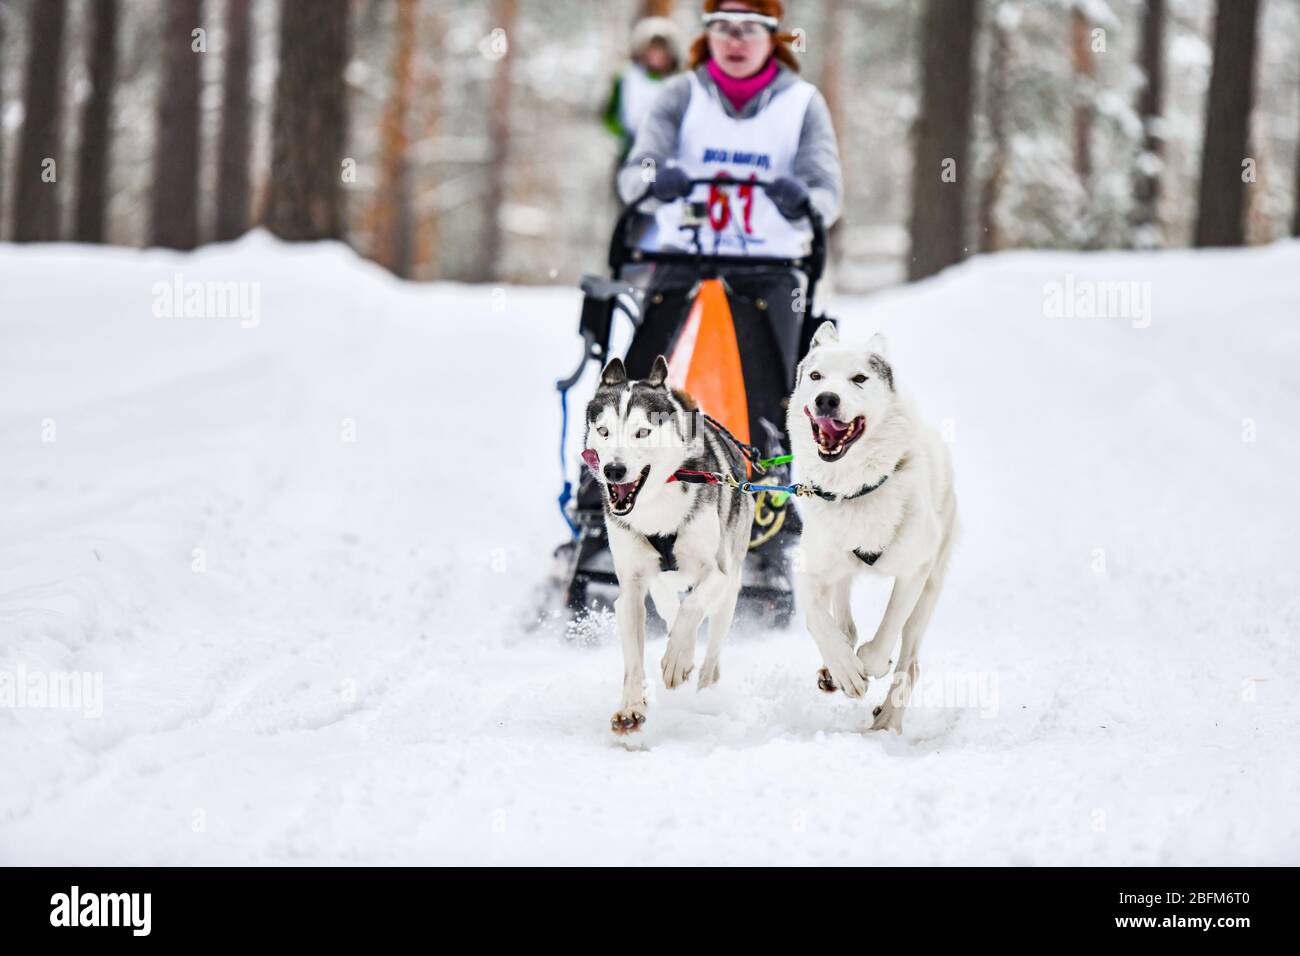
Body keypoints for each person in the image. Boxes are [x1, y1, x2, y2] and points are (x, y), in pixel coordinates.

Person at [609, 0, 845, 578]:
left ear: (771, 37)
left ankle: (772, 508)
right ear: (707, 35)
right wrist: (654, 180)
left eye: (747, 31)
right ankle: (610, 500)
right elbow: (632, 172)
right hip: (682, 261)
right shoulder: (680, 96)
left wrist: (803, 199)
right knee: (639, 379)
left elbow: (827, 194)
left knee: (778, 393)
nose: (734, 42)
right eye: (721, 30)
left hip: (769, 270)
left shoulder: (800, 104)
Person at [602, 17, 684, 169]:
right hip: (631, 150)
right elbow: (610, 115)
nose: (657, 56)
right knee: (635, 187)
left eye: (662, 50)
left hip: (665, 153)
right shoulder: (627, 78)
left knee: (651, 184)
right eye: (653, 49)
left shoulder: (680, 83)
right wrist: (624, 135)